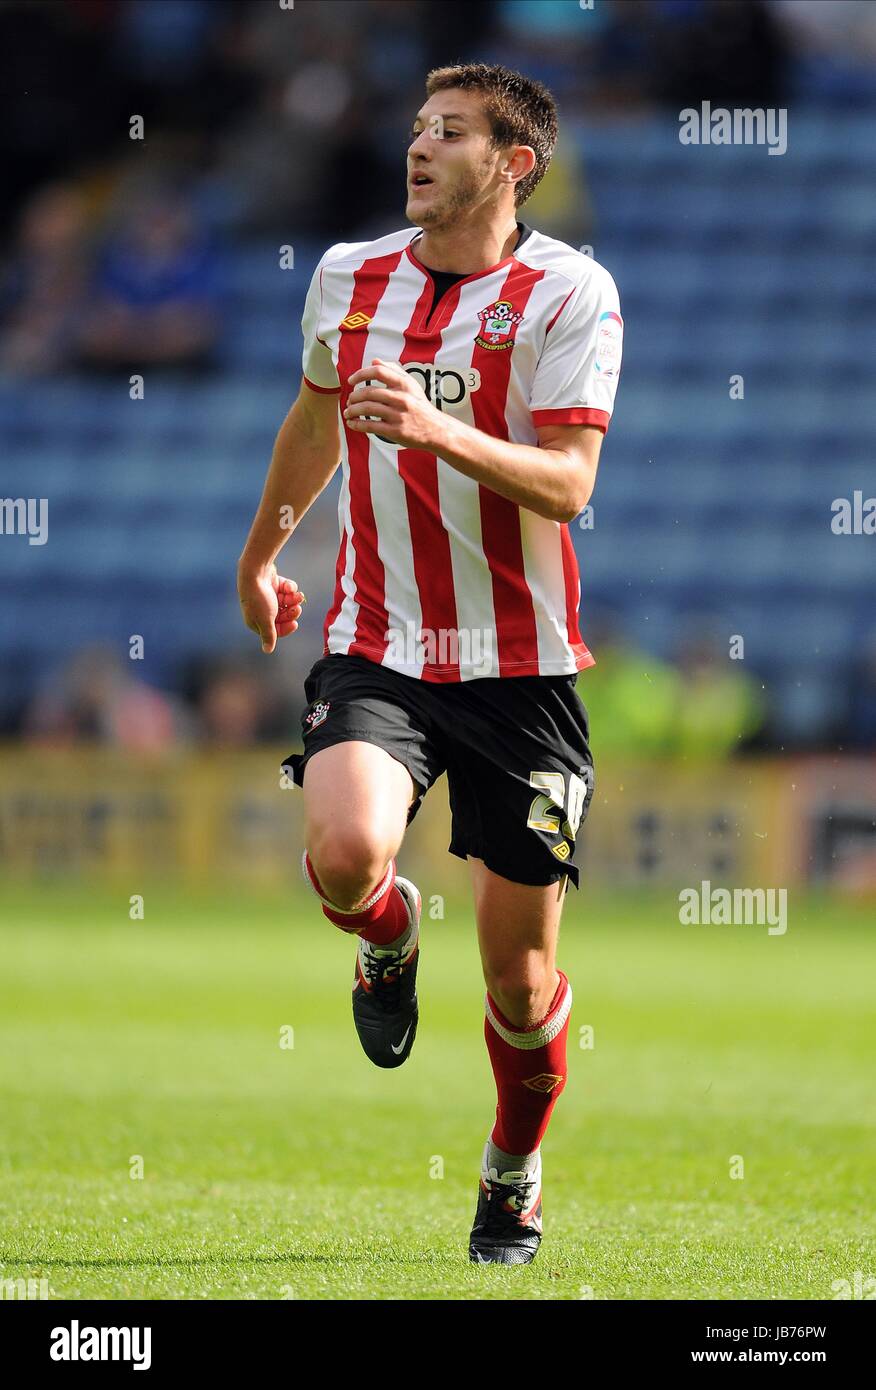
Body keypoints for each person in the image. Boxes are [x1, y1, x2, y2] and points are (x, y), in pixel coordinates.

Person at [237, 62, 623, 1265]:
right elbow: (313, 418)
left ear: (513, 164)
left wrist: (438, 426)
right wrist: (261, 554)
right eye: (415, 127)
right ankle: (388, 940)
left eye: (448, 132)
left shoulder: (570, 292)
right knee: (348, 855)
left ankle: (512, 1170)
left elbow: (570, 485)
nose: (418, 146)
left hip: (524, 672)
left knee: (517, 984)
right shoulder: (349, 276)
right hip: (379, 644)